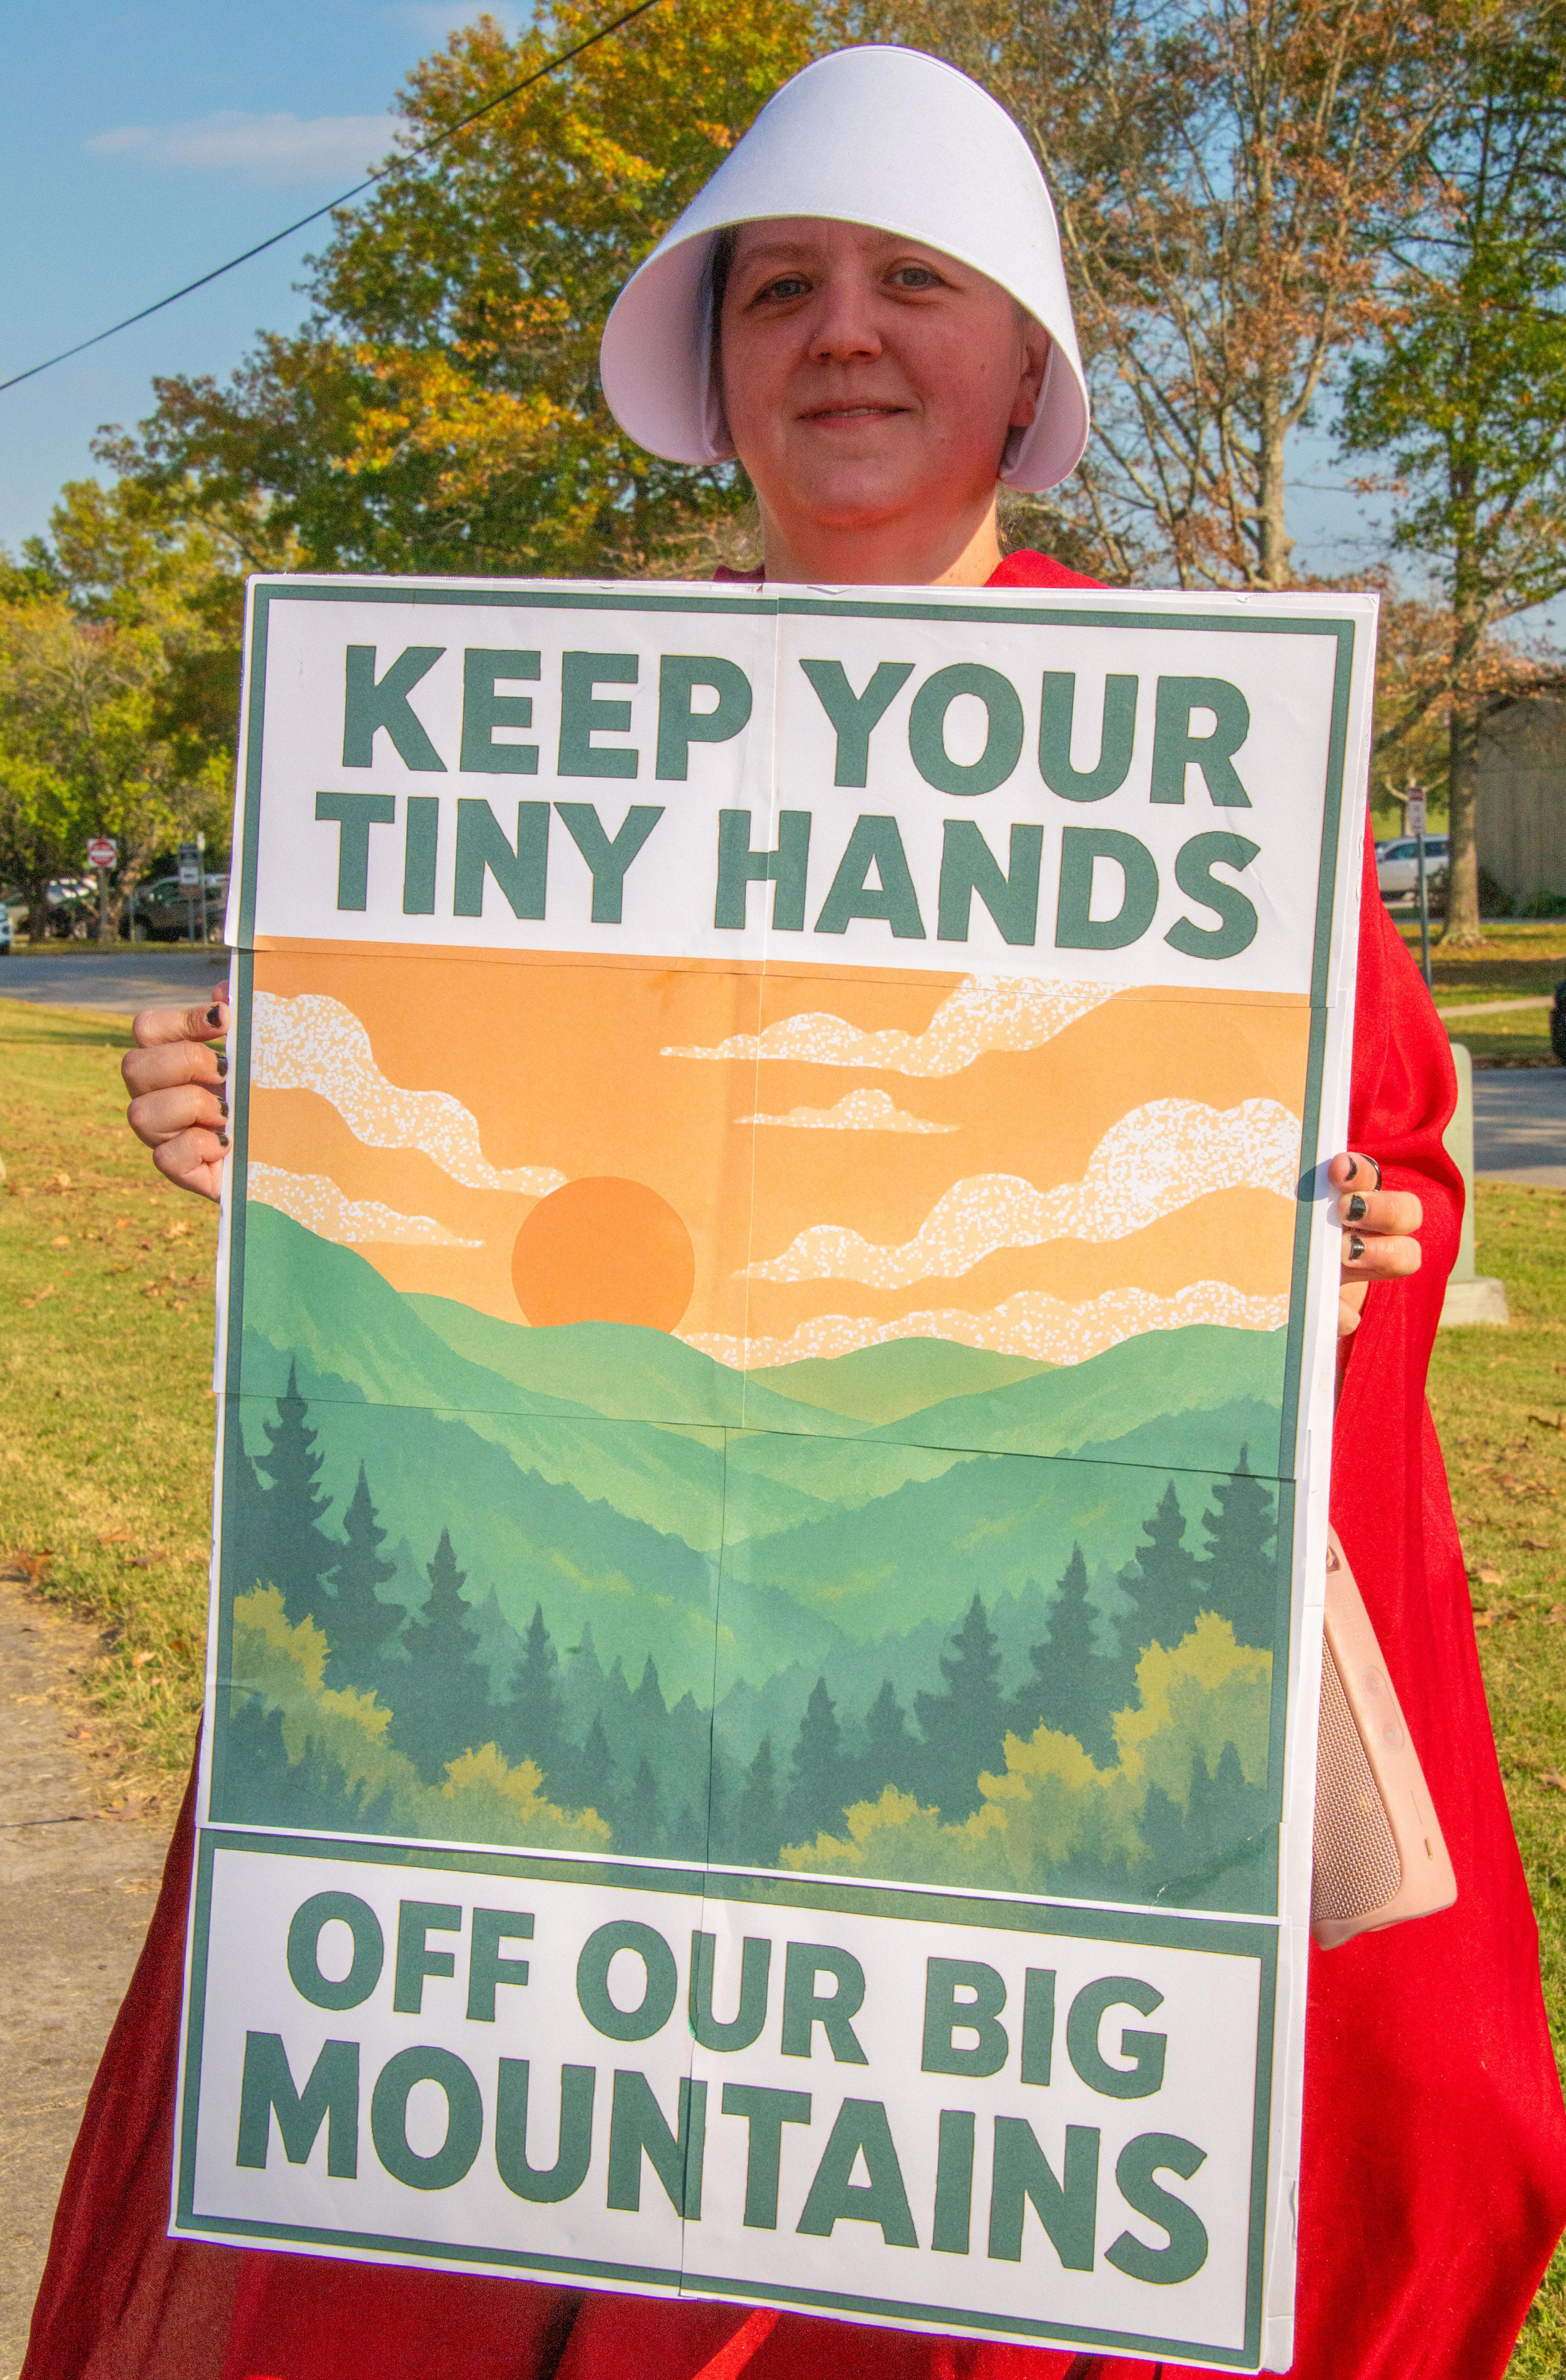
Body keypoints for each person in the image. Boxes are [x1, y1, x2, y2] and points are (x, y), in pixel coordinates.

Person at [30, 45, 1563, 2380]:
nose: (839, 333)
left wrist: (1360, 1253)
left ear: (1023, 359)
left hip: (985, 1750)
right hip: (603, 1683)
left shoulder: (1201, 769)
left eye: (909, 283)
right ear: (717, 360)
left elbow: (1393, 1162)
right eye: (780, 289)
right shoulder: (528, 737)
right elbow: (442, 1151)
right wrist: (252, 1121)